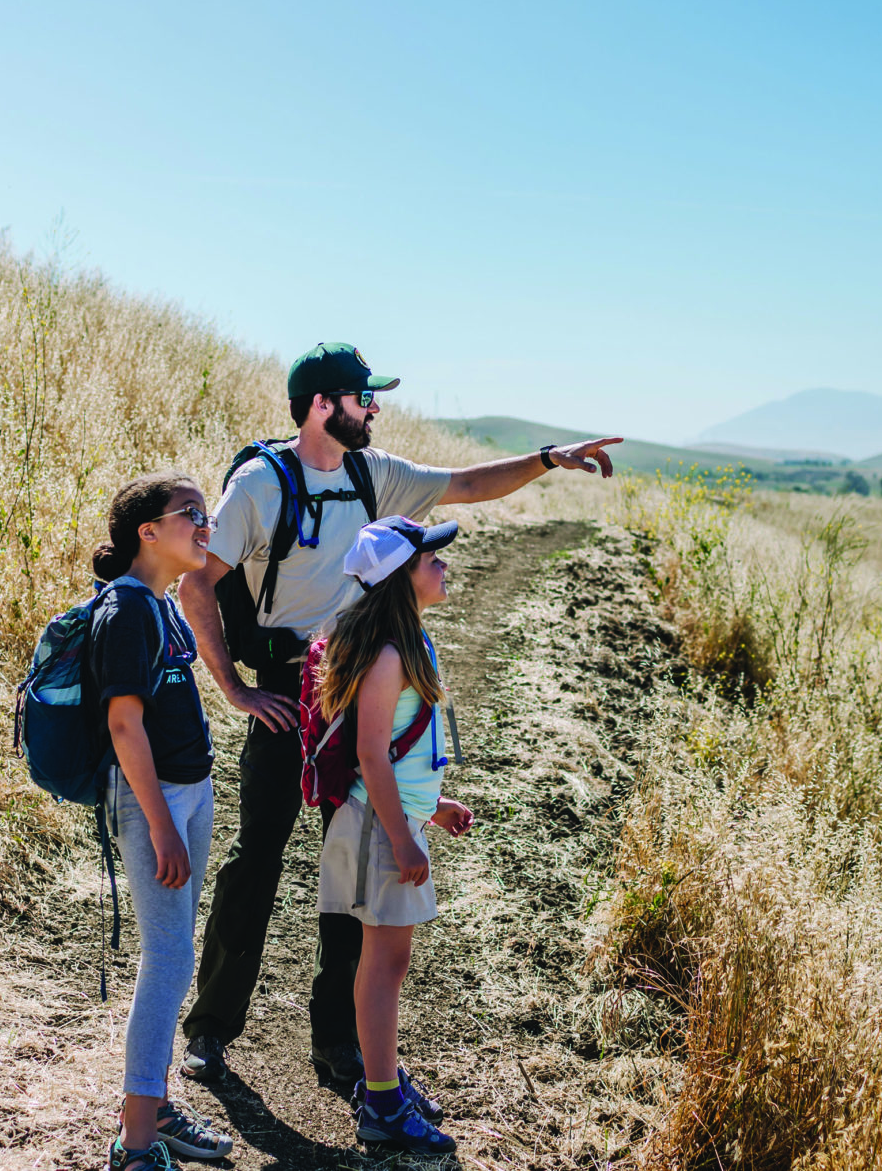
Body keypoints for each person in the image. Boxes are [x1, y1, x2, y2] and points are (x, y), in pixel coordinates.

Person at [178, 341, 619, 1086]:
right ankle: (211, 1029)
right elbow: (199, 584)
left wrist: (550, 457)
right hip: (285, 698)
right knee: (255, 864)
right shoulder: (260, 483)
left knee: (353, 873)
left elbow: (468, 484)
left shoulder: (371, 473)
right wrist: (235, 689)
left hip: (355, 699)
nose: (374, 407)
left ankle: (340, 1047)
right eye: (362, 396)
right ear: (323, 404)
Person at [315, 516, 473, 1149]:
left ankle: (383, 1083)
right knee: (383, 967)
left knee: (388, 963)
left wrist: (432, 809)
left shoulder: (409, 643)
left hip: (396, 820)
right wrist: (404, 837)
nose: (443, 567)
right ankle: (381, 1104)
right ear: (399, 578)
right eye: (431, 559)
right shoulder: (388, 655)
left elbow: (404, 755)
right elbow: (372, 755)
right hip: (381, 828)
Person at [92, 473, 235, 1170]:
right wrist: (162, 825)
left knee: (175, 948)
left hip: (190, 794)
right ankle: (137, 1143)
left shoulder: (164, 604)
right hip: (158, 804)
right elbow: (125, 725)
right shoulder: (125, 608)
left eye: (206, 512)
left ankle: (155, 1105)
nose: (204, 524)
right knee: (170, 957)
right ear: (147, 530)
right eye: (190, 513)